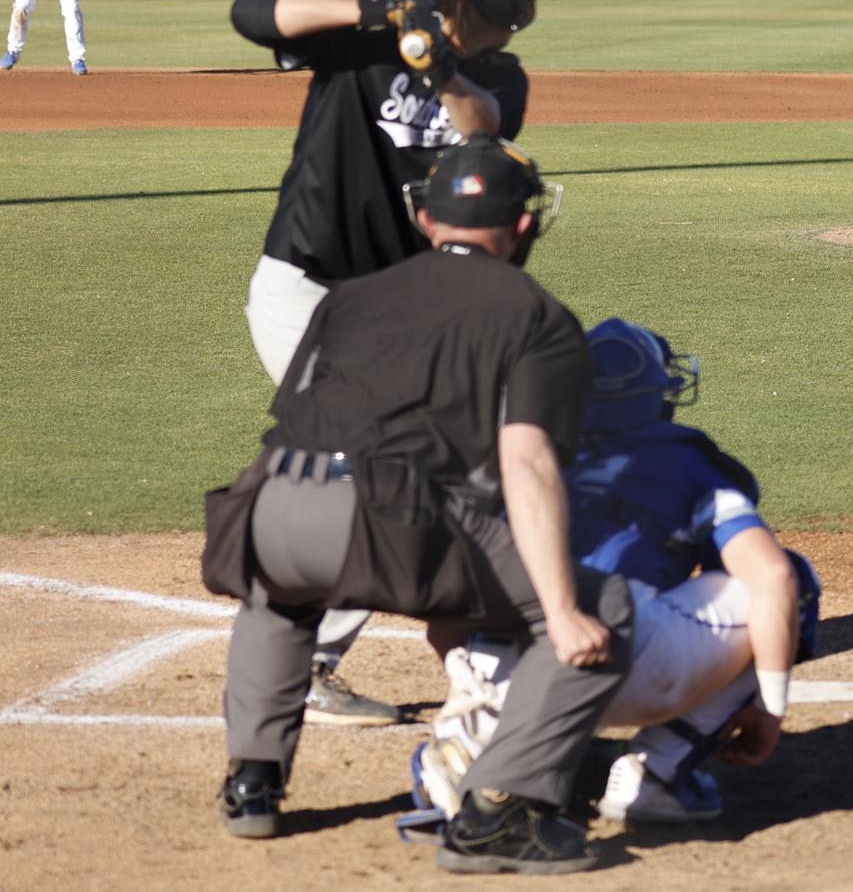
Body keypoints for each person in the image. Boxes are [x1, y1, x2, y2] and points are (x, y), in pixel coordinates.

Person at [204, 135, 632, 875]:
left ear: (428, 220)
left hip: (269, 505)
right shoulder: (536, 314)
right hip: (388, 521)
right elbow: (526, 462)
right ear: (524, 225)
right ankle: (501, 811)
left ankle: (253, 785)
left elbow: (297, 413)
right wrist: (561, 609)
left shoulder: (351, 294)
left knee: (279, 595)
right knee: (603, 604)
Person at [230, 0, 552, 727]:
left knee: (398, 464)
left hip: (395, 315)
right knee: (381, 459)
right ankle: (312, 660)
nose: (520, 23)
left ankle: (334, 649)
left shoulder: (499, 74)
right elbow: (254, 11)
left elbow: (484, 130)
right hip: (306, 289)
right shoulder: (363, 40)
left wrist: (435, 61)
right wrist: (377, 12)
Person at [405, 317, 819, 832]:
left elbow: (443, 590)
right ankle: (658, 774)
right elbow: (773, 579)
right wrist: (772, 709)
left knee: (494, 593)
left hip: (513, 672)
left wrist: (464, 677)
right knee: (793, 582)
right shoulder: (688, 459)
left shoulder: (518, 461)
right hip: (640, 664)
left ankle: (476, 736)